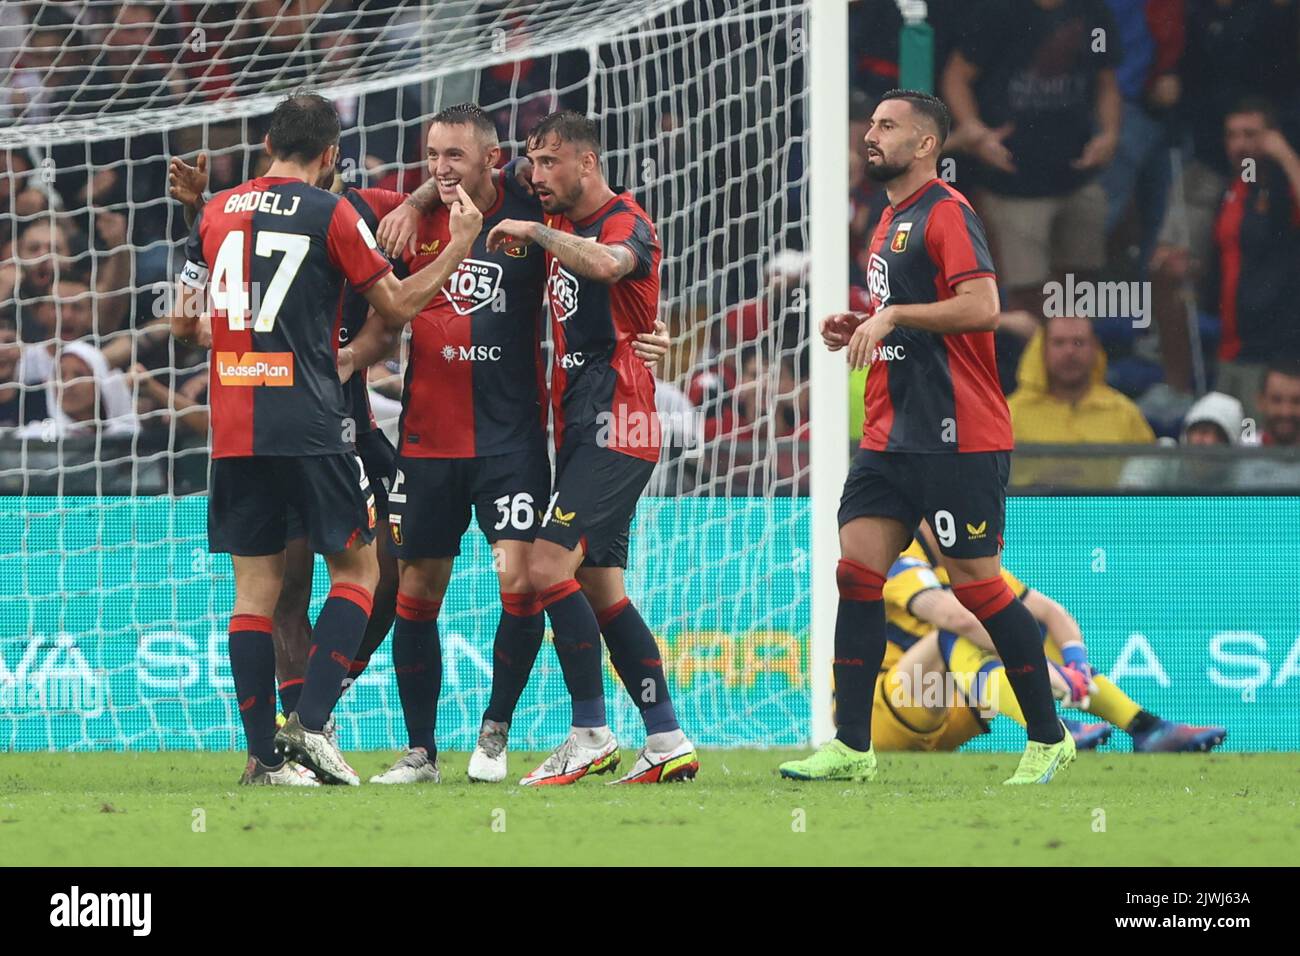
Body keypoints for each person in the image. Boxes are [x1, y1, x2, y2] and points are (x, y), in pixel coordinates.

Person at [349, 105, 674, 784]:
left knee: (534, 579)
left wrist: (647, 329)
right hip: (432, 442)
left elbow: (615, 264)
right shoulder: (404, 213)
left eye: (454, 156)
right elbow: (321, 209)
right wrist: (410, 198)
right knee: (426, 592)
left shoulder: (540, 212)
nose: (441, 168)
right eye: (430, 154)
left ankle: (508, 737)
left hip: (522, 444)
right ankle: (423, 754)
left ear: (492, 161)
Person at [167, 93, 481, 787]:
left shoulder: (216, 213)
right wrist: (459, 246)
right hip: (311, 423)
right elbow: (394, 307)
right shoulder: (332, 210)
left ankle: (267, 760)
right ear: (330, 156)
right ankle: (310, 724)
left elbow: (184, 326)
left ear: (268, 140)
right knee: (360, 572)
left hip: (234, 426)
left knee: (255, 593)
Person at [780, 89, 1073, 787]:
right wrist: (866, 324)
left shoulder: (947, 212)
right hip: (892, 431)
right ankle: (851, 745)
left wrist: (894, 315)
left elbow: (984, 307)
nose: (871, 135)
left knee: (979, 588)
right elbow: (916, 321)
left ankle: (1049, 735)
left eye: (888, 126)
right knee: (856, 573)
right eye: (872, 124)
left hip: (959, 434)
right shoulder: (888, 221)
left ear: (925, 146)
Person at [482, 110, 699, 785]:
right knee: (602, 589)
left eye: (551, 163)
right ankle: (666, 738)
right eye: (533, 164)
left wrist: (532, 228)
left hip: (620, 419)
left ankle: (590, 731)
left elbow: (610, 264)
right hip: (583, 423)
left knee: (549, 566)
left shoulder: (623, 220)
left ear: (587, 163)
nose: (537, 176)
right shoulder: (566, 226)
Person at [874, 524, 1228, 754]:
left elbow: (1054, 614)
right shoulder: (898, 557)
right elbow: (955, 618)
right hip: (887, 714)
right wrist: (1039, 670)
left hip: (951, 715)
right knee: (959, 633)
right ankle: (1052, 728)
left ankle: (1146, 729)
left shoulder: (967, 566)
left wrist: (1073, 663)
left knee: (1023, 625)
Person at [1207, 100, 1300, 421]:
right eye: (1232, 135)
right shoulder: (1232, 191)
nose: (1240, 144)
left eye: (1250, 134)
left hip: (1273, 355)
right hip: (1229, 350)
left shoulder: (1284, 189)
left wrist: (1285, 155)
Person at [1007, 314, 1158, 444]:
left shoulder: (1124, 413)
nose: (1070, 351)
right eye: (1059, 343)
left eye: (1079, 342)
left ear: (1095, 350)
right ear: (1041, 351)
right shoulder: (1011, 414)